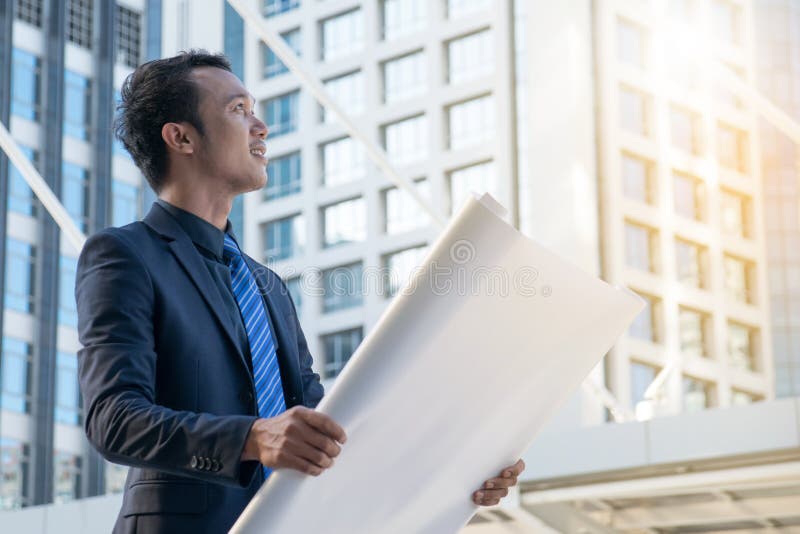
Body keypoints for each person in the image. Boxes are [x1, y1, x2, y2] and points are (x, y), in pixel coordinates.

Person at [75, 50, 525, 534]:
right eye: (238, 109)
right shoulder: (125, 255)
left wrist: (455, 474)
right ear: (180, 136)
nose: (261, 126)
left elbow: (328, 433)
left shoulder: (266, 286)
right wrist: (251, 439)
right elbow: (114, 419)